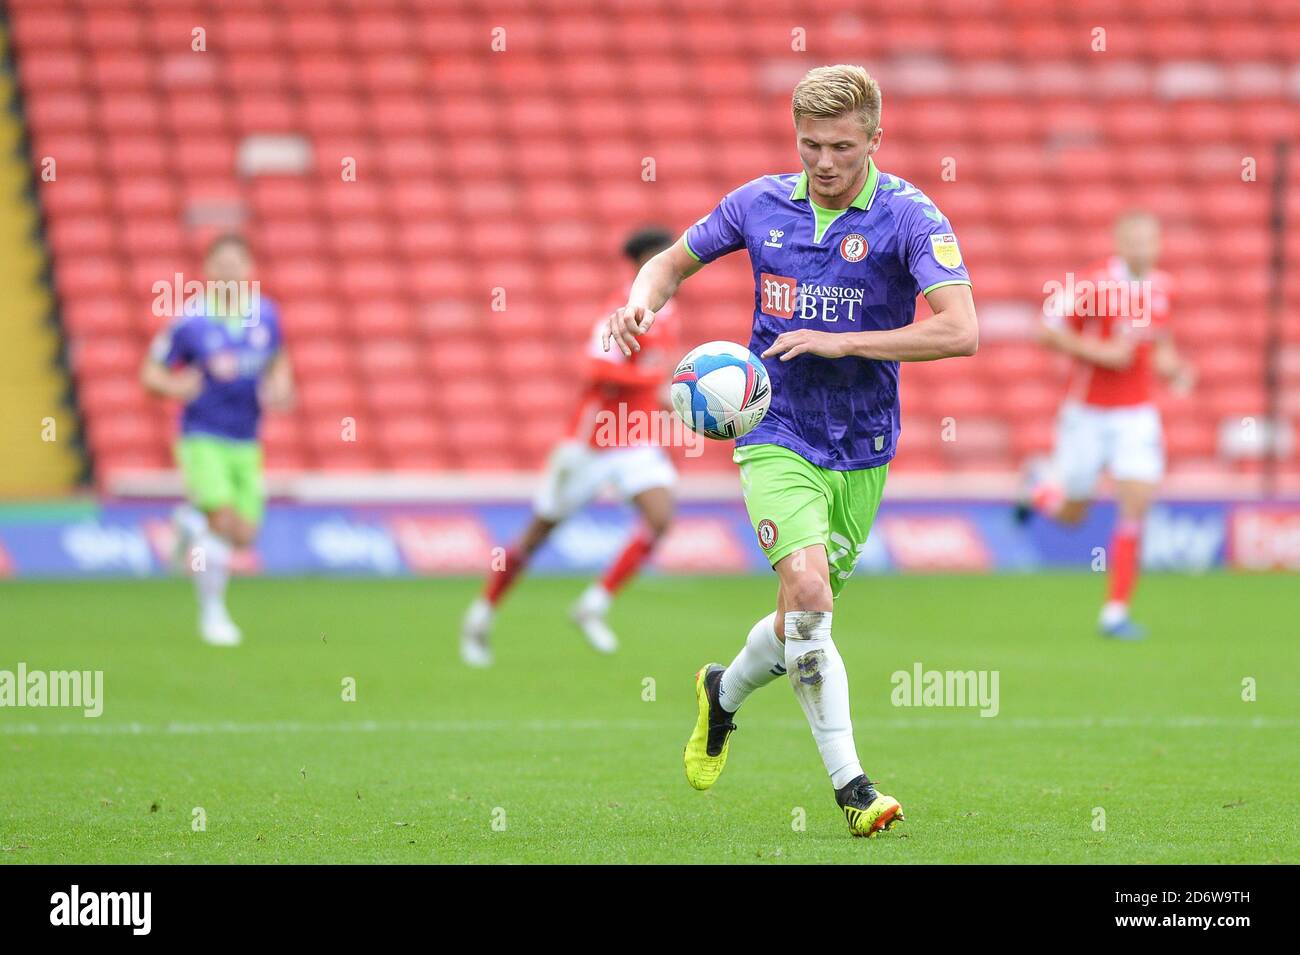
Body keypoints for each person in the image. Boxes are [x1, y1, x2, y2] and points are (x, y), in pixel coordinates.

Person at [603, 65, 978, 837]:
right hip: (772, 431)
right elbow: (669, 263)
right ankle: (854, 787)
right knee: (810, 596)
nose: (825, 162)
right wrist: (638, 305)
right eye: (811, 145)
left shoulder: (911, 217)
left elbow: (959, 329)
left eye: (842, 145)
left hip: (863, 446)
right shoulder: (759, 203)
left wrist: (846, 344)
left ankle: (721, 693)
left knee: (797, 621)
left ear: (876, 137)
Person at [459, 227, 681, 667]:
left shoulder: (668, 310)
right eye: (662, 255)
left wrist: (670, 397)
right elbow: (595, 368)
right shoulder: (622, 308)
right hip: (592, 441)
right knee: (540, 532)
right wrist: (654, 381)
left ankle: (593, 605)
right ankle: (481, 613)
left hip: (635, 438)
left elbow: (654, 373)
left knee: (660, 518)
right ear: (643, 261)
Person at [1016, 211, 1194, 640]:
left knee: (1136, 502)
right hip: (1087, 413)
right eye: (1133, 239)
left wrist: (1177, 371)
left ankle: (1115, 613)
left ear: (1158, 244)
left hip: (1136, 413)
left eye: (1149, 240)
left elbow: (1160, 347)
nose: (1142, 248)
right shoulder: (1093, 285)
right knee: (1074, 513)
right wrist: (1099, 352)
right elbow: (1043, 329)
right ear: (1119, 241)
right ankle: (1038, 489)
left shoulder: (1162, 288)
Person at [141, 234, 293, 645]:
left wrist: (281, 386)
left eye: (235, 264)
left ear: (248, 270)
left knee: (245, 535)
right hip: (202, 436)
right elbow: (151, 373)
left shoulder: (266, 316)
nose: (228, 272)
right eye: (220, 265)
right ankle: (213, 615)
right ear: (208, 272)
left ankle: (189, 523)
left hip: (246, 440)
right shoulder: (190, 322)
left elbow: (278, 359)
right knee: (222, 523)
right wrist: (174, 389)